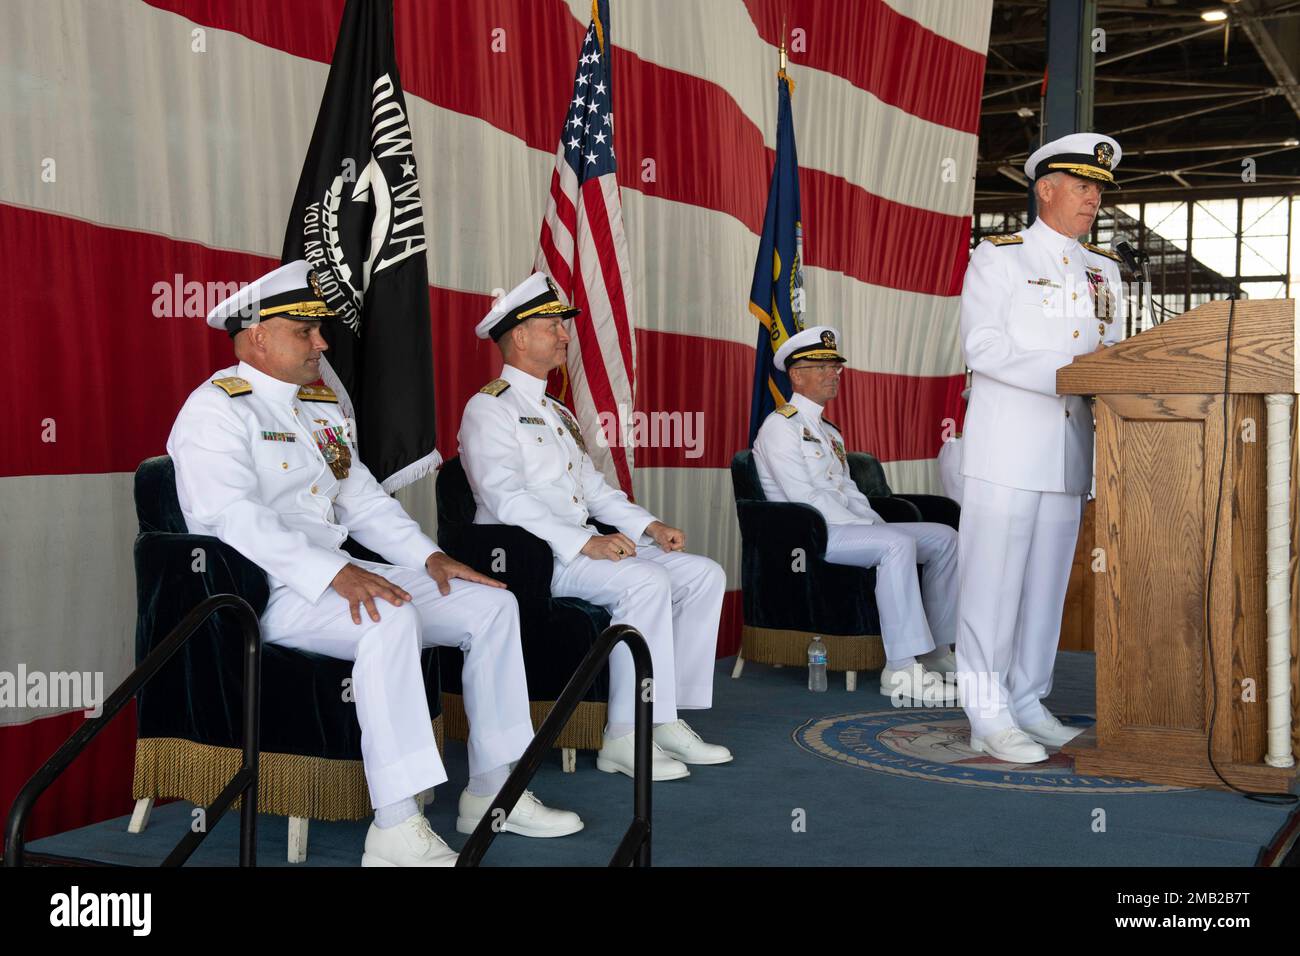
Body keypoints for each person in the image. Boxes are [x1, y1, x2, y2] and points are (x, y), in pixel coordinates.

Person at [167, 261, 582, 867]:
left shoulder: (318, 408)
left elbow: (362, 502)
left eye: (320, 330)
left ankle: (497, 790)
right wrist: (334, 573)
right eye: (304, 332)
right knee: (390, 620)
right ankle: (395, 827)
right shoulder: (215, 410)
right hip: (268, 590)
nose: (322, 343)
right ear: (257, 336)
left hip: (335, 576)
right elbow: (232, 517)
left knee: (491, 604)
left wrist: (432, 558)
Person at [458, 273, 732, 782]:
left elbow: (596, 491)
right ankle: (624, 736)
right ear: (518, 335)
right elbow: (503, 496)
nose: (565, 334)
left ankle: (665, 717)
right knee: (646, 581)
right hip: (532, 556)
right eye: (553, 324)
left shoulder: (557, 412)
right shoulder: (489, 407)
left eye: (565, 325)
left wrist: (650, 526)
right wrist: (585, 541)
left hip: (580, 548)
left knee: (702, 574)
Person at [956, 133, 1124, 763]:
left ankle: (1026, 698)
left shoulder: (1103, 271)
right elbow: (985, 349)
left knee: (1047, 589)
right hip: (1008, 450)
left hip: (1068, 454)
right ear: (1045, 188)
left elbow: (1112, 356)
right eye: (1084, 186)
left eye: (1099, 189)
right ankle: (986, 712)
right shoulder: (998, 258)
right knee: (992, 585)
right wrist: (1072, 370)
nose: (1095, 199)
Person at [752, 326, 958, 703]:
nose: (833, 374)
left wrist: (875, 523)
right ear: (796, 375)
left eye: (835, 366)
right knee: (895, 546)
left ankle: (936, 652)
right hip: (810, 535)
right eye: (823, 367)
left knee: (945, 538)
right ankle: (901, 670)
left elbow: (848, 490)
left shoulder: (829, 431)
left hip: (848, 529)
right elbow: (805, 496)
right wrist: (874, 530)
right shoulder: (779, 427)